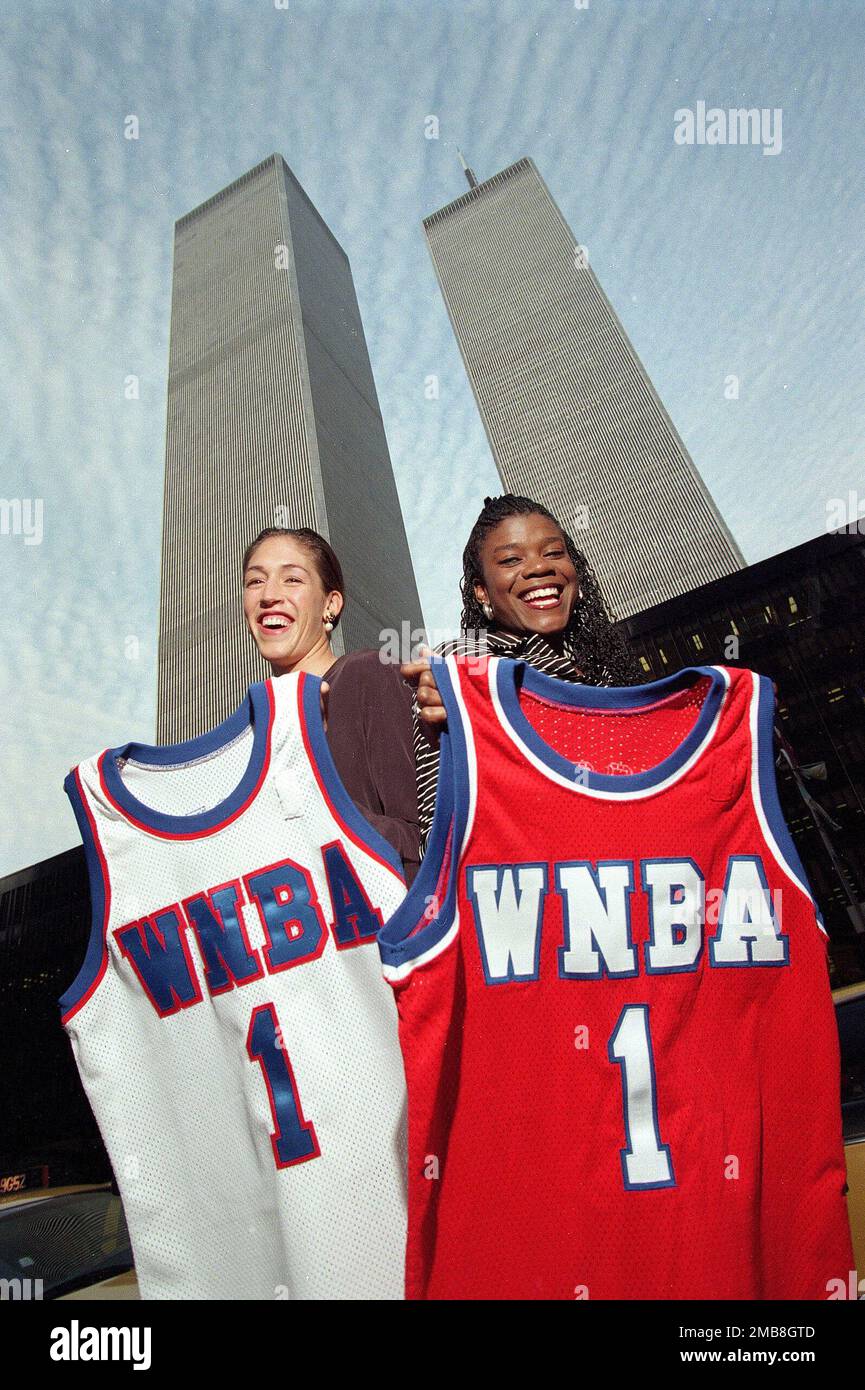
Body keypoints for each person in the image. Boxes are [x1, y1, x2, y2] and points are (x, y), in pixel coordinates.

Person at [401, 494, 642, 854]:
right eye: (512, 560)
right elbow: (442, 835)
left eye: (553, 553)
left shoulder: (607, 673)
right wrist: (455, 694)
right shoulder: (468, 662)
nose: (539, 568)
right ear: (481, 591)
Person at [243, 525, 420, 885]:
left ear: (330, 605)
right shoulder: (251, 728)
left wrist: (314, 803)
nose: (269, 595)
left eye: (292, 579)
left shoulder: (367, 673)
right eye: (255, 582)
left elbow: (419, 840)